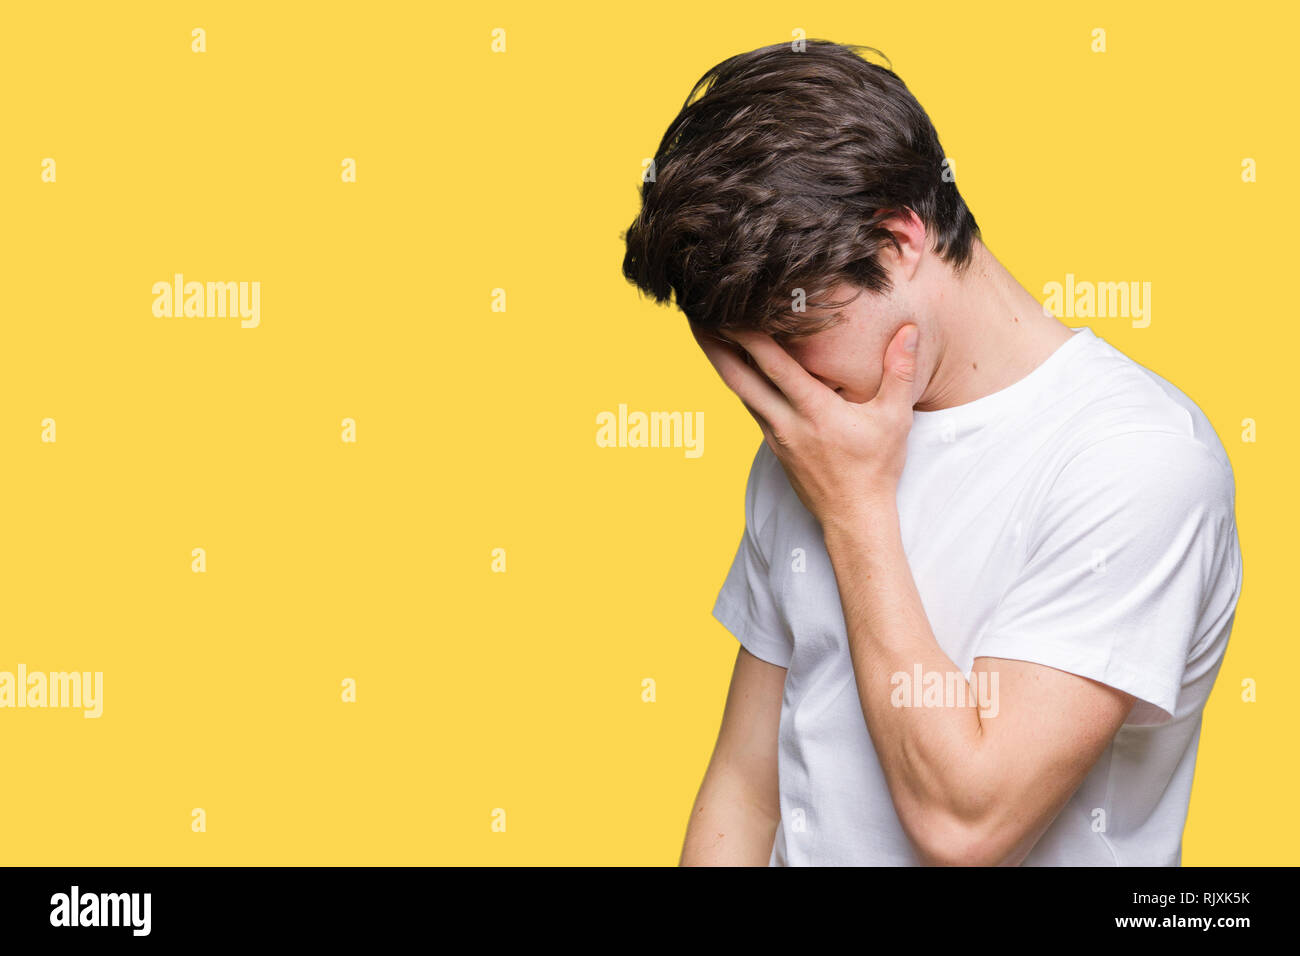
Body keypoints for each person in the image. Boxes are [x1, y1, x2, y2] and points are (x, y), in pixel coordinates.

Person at [621, 39, 1242, 866]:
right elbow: (746, 789)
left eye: (798, 336)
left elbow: (967, 824)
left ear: (900, 236)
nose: (782, 388)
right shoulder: (814, 436)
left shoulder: (1136, 463)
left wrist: (853, 508)